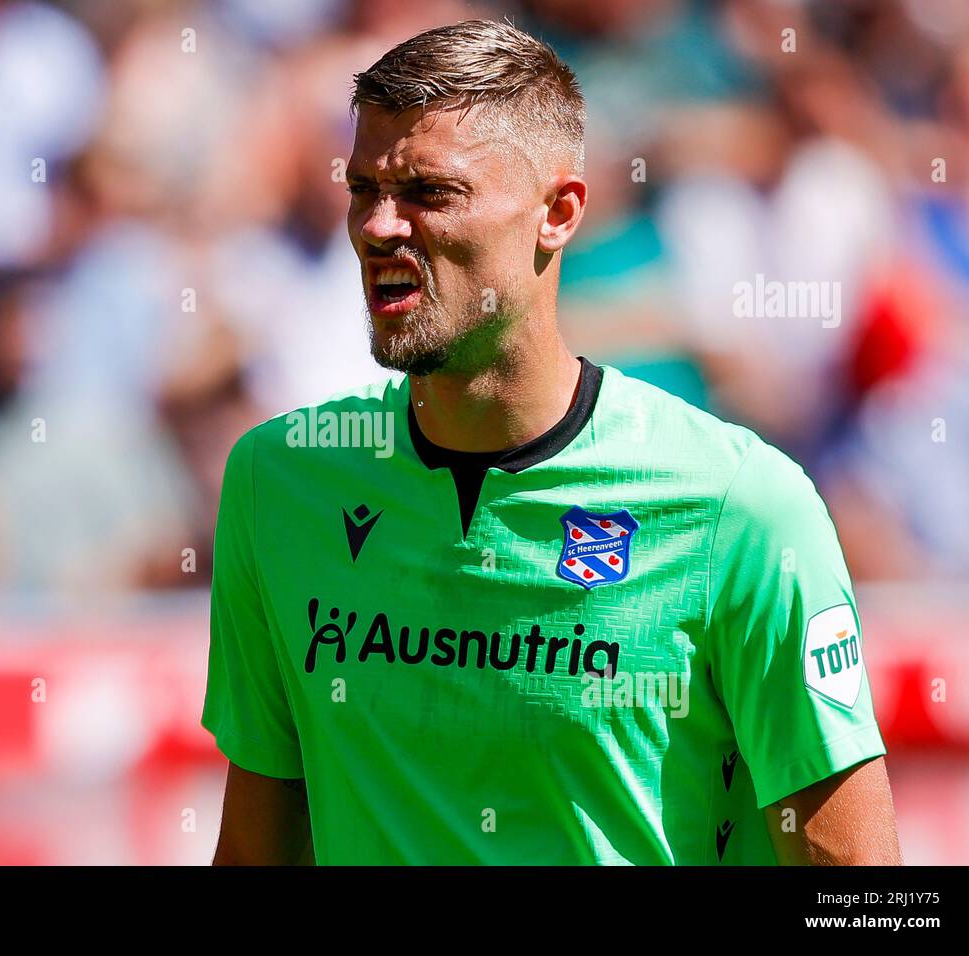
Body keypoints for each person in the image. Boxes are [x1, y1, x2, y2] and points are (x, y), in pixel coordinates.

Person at [201, 19, 900, 865]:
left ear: (559, 214)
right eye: (362, 190)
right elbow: (255, 850)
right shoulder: (280, 483)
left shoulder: (739, 505)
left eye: (430, 193)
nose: (380, 227)